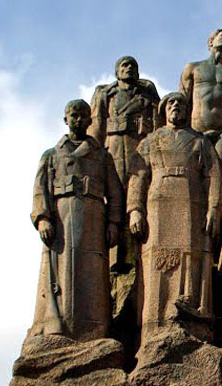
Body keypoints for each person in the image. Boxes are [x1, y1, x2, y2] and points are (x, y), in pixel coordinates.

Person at [127, 92, 222, 343]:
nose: (176, 107)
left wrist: (214, 208)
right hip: (158, 204)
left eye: (181, 104)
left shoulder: (200, 142)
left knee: (191, 259)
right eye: (171, 103)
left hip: (192, 203)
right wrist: (135, 210)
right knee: (156, 264)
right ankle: (154, 328)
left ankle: (190, 323)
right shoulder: (150, 142)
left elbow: (214, 177)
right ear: (163, 110)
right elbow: (138, 177)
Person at [27, 99, 123, 342]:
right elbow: (40, 189)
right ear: (65, 119)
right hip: (61, 217)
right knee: (59, 272)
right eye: (74, 115)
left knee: (91, 273)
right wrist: (43, 219)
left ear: (90, 121)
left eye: (83, 116)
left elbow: (115, 193)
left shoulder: (102, 156)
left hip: (92, 218)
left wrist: (113, 223)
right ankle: (55, 326)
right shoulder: (51, 155)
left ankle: (92, 331)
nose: (78, 120)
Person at [179, 28, 222, 276]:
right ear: (210, 41)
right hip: (197, 129)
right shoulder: (193, 68)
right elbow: (182, 101)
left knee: (220, 183)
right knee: (195, 182)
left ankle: (215, 236)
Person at [88, 55, 159, 274]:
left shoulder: (147, 95)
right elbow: (96, 125)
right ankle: (114, 257)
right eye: (124, 66)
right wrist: (92, 154)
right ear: (117, 72)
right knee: (115, 199)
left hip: (140, 148)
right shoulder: (106, 94)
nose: (129, 69)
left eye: (133, 66)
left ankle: (135, 253)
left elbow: (157, 125)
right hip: (114, 148)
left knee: (138, 199)